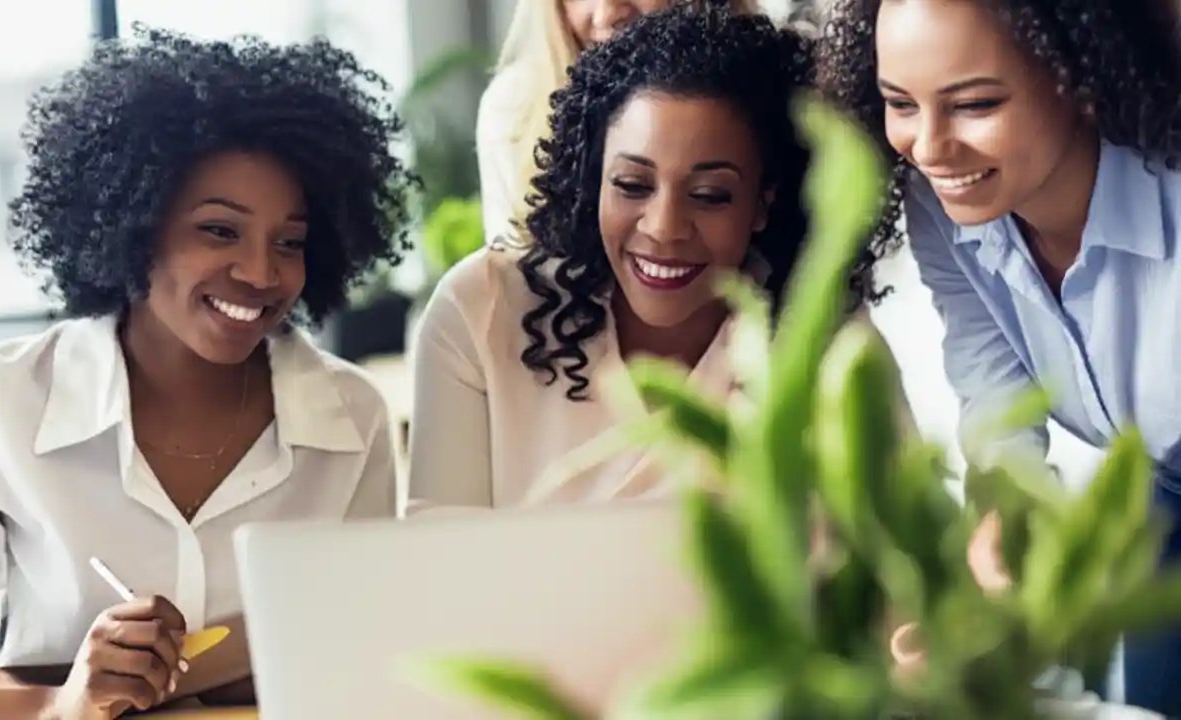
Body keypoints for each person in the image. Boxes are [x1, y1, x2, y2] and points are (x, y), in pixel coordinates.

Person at [0, 26, 414, 718]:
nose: (261, 273)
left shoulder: (353, 418)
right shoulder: (2, 401)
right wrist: (63, 703)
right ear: (135, 229)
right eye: (219, 230)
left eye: (289, 242)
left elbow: (362, 655)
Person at [818, 0, 1181, 713]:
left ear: (1080, 78)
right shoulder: (945, 203)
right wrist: (998, 536)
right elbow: (995, 386)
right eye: (900, 103)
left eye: (974, 104)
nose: (928, 147)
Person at [409, 4, 887, 513]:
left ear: (763, 202)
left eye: (709, 195)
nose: (663, 227)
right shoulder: (478, 314)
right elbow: (438, 563)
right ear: (594, 183)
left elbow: (883, 561)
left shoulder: (828, 339)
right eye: (632, 185)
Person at [476, 0, 759, 244]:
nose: (605, 15)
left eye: (707, 194)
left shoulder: (776, 97)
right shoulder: (513, 111)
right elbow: (511, 278)